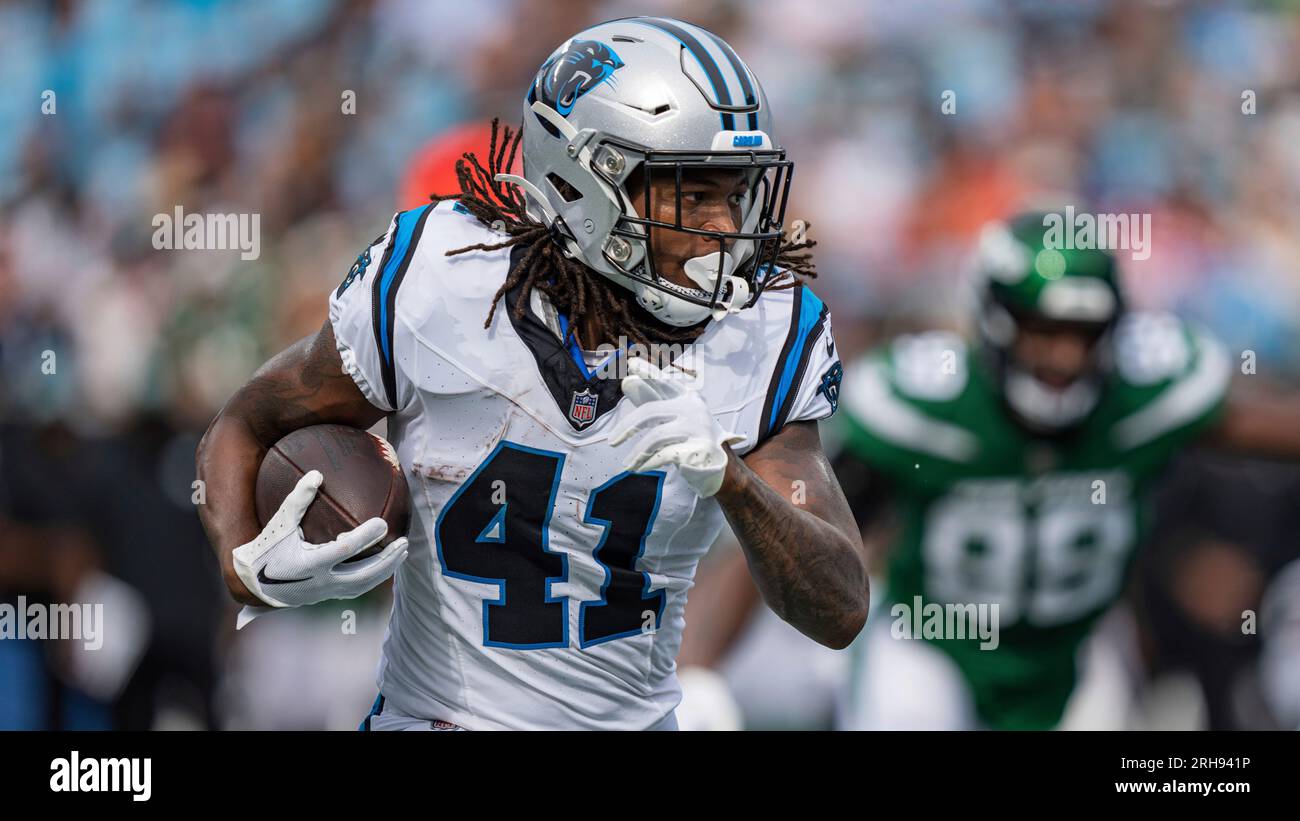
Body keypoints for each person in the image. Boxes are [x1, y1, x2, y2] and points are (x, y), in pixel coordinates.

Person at [195, 17, 867, 731]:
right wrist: (245, 565)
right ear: (585, 182)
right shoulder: (444, 278)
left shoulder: (760, 326)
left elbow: (840, 605)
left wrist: (731, 481)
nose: (725, 229)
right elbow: (245, 421)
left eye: (736, 194)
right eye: (693, 194)